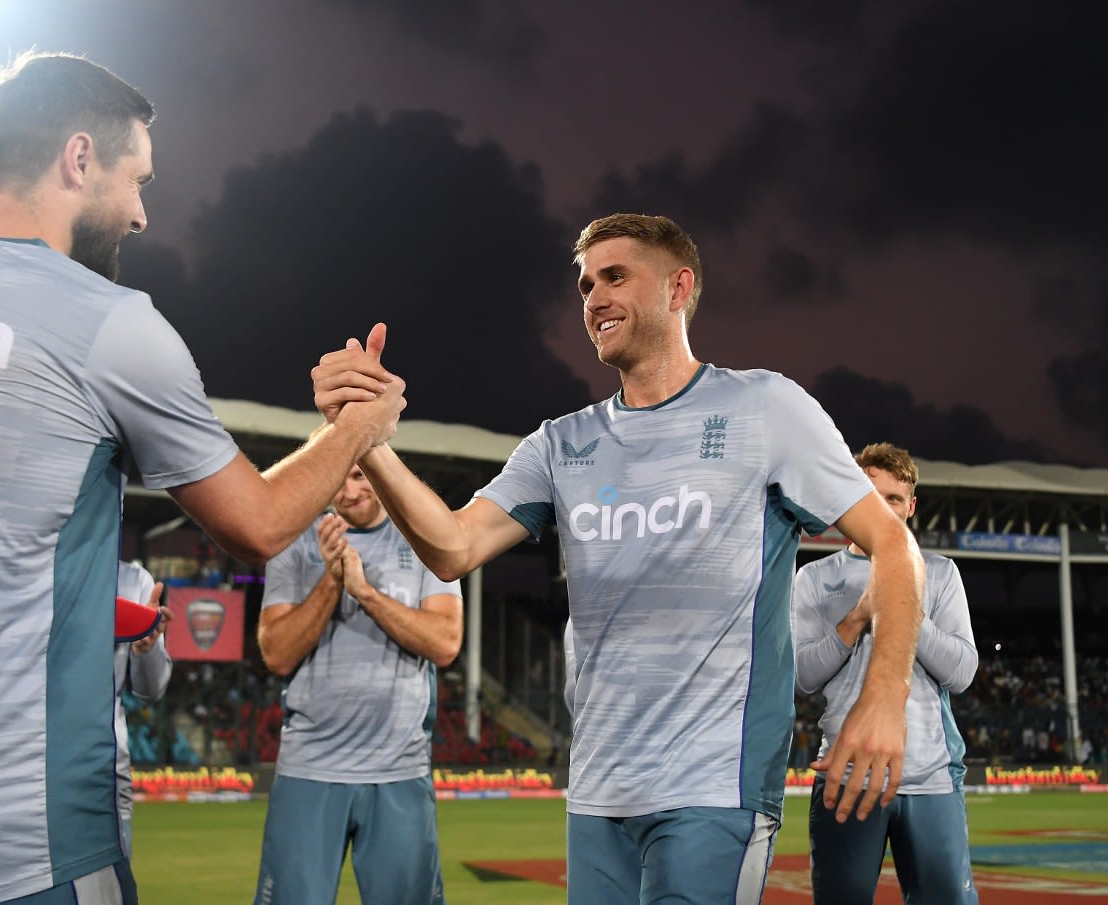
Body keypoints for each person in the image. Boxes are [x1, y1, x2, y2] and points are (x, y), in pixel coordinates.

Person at [0, 50, 404, 905]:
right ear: (78, 158)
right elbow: (261, 523)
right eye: (138, 180)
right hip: (16, 853)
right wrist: (359, 427)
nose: (140, 214)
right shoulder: (110, 324)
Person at [311, 213, 925, 905]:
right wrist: (366, 439)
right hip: (598, 791)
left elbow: (894, 544)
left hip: (714, 785)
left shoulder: (765, 407)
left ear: (677, 288)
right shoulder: (559, 442)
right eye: (583, 284)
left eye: (614, 276)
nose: (592, 297)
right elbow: (453, 546)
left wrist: (884, 694)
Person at [253, 466, 463, 905]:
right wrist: (332, 580)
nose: (349, 492)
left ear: (379, 472)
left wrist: (365, 592)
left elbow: (445, 643)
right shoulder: (293, 544)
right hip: (309, 769)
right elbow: (277, 653)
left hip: (398, 771)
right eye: (336, 481)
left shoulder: (425, 538)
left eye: (359, 476)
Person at [793, 442, 979, 904]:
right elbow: (800, 676)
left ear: (911, 506)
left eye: (894, 499)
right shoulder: (815, 578)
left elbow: (962, 672)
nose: (883, 507)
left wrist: (905, 609)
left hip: (930, 776)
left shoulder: (940, 573)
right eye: (870, 495)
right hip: (846, 773)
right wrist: (857, 617)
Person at [113, 560, 173, 859]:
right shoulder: (27, 563)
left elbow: (150, 693)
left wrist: (145, 649)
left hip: (105, 769)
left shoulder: (134, 580)